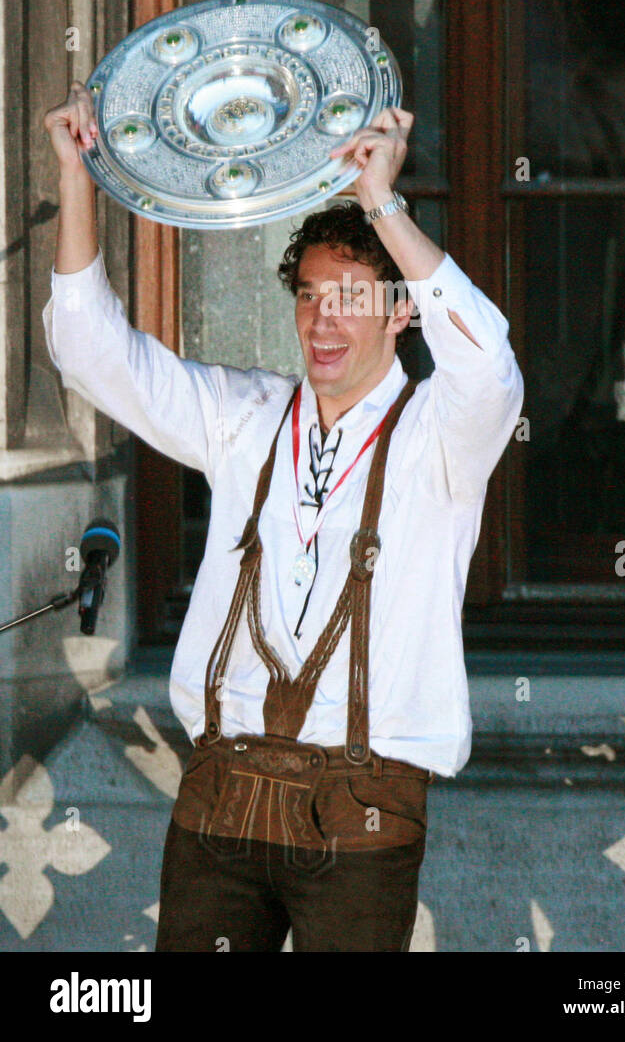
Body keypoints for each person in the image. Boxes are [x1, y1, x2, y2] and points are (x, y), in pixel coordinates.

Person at [43, 80, 524, 952]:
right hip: (220, 797)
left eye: (351, 297)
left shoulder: (441, 439)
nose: (324, 321)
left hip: (364, 814)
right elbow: (91, 354)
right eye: (309, 295)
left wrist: (381, 201)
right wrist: (76, 176)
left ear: (399, 310)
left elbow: (488, 364)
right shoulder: (245, 416)